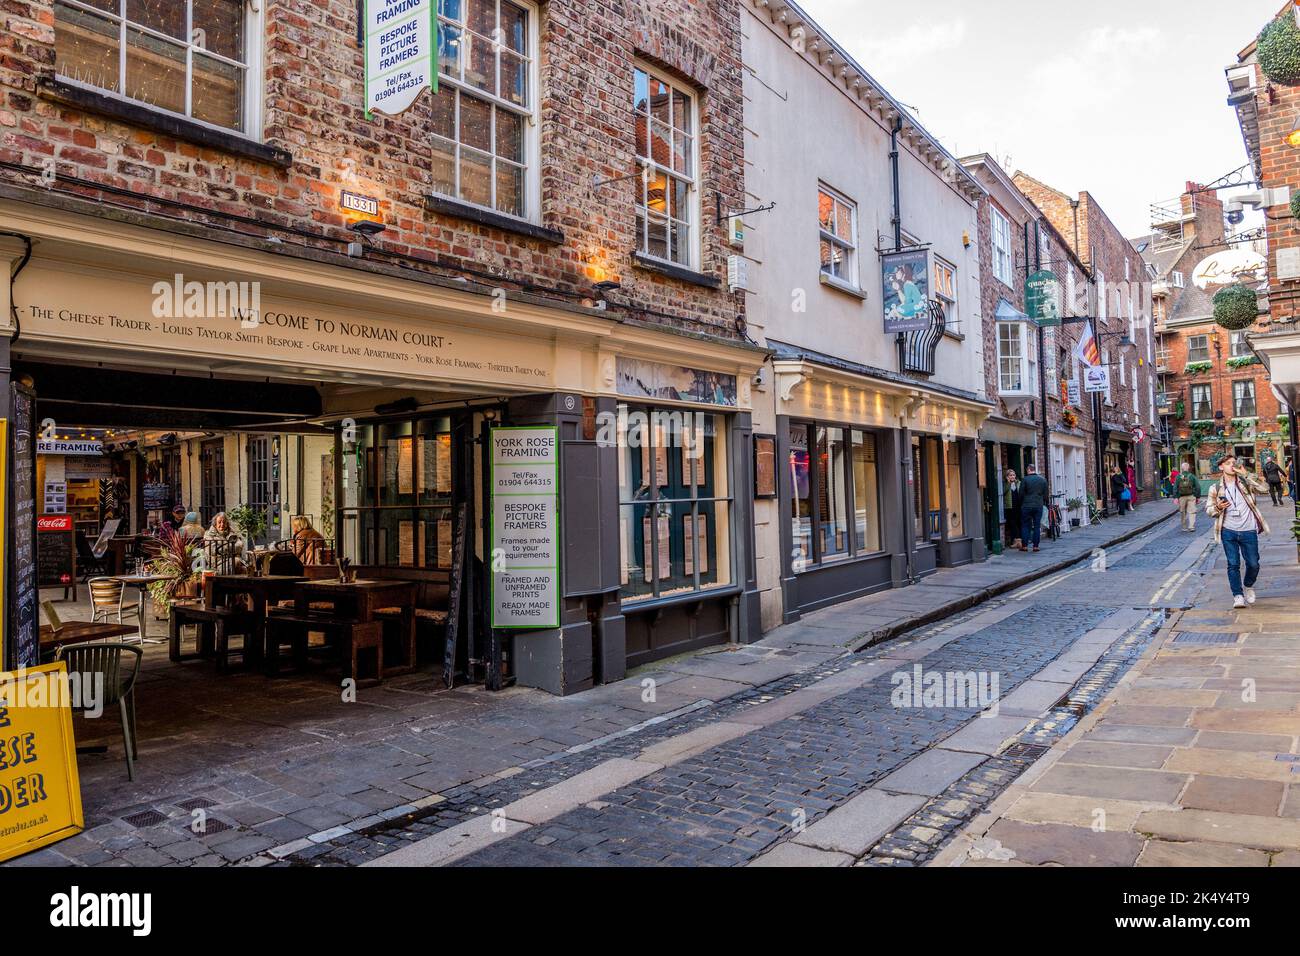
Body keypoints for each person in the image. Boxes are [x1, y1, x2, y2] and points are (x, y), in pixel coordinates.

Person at [1205, 455, 1270, 609]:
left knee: (1253, 564)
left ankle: (1248, 585)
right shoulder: (1215, 488)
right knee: (1233, 564)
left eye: (1234, 463)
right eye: (1228, 464)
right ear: (1221, 467)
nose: (1232, 466)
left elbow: (1265, 489)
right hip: (1228, 531)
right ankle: (1238, 596)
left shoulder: (1245, 483)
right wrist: (1219, 507)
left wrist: (1245, 474)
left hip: (1248, 529)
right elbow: (1209, 510)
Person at [1019, 463, 1048, 553]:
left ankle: (1024, 546)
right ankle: (1035, 546)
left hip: (1026, 506)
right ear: (1035, 469)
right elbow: (1046, 495)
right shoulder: (1043, 480)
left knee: (1025, 526)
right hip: (1038, 505)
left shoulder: (1025, 479)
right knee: (1036, 526)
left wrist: (1021, 503)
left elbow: (1021, 494)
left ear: (1028, 470)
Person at [1174, 466, 1200, 533]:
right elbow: (1198, 487)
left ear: (1181, 469)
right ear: (1188, 468)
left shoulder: (1178, 477)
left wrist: (1175, 497)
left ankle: (1184, 527)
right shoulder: (1192, 476)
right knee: (1192, 512)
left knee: (1183, 512)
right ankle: (1191, 527)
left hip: (1181, 497)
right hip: (1191, 496)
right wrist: (1197, 497)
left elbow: (1175, 487)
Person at [1003, 469, 1023, 551]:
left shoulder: (1019, 483)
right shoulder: (1005, 484)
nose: (1012, 477)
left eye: (1013, 475)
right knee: (1012, 523)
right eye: (1010, 475)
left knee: (1018, 523)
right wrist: (1008, 483)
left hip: (1018, 506)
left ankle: (1018, 541)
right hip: (1010, 506)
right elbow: (1004, 492)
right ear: (1007, 476)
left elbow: (1022, 493)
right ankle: (1017, 541)